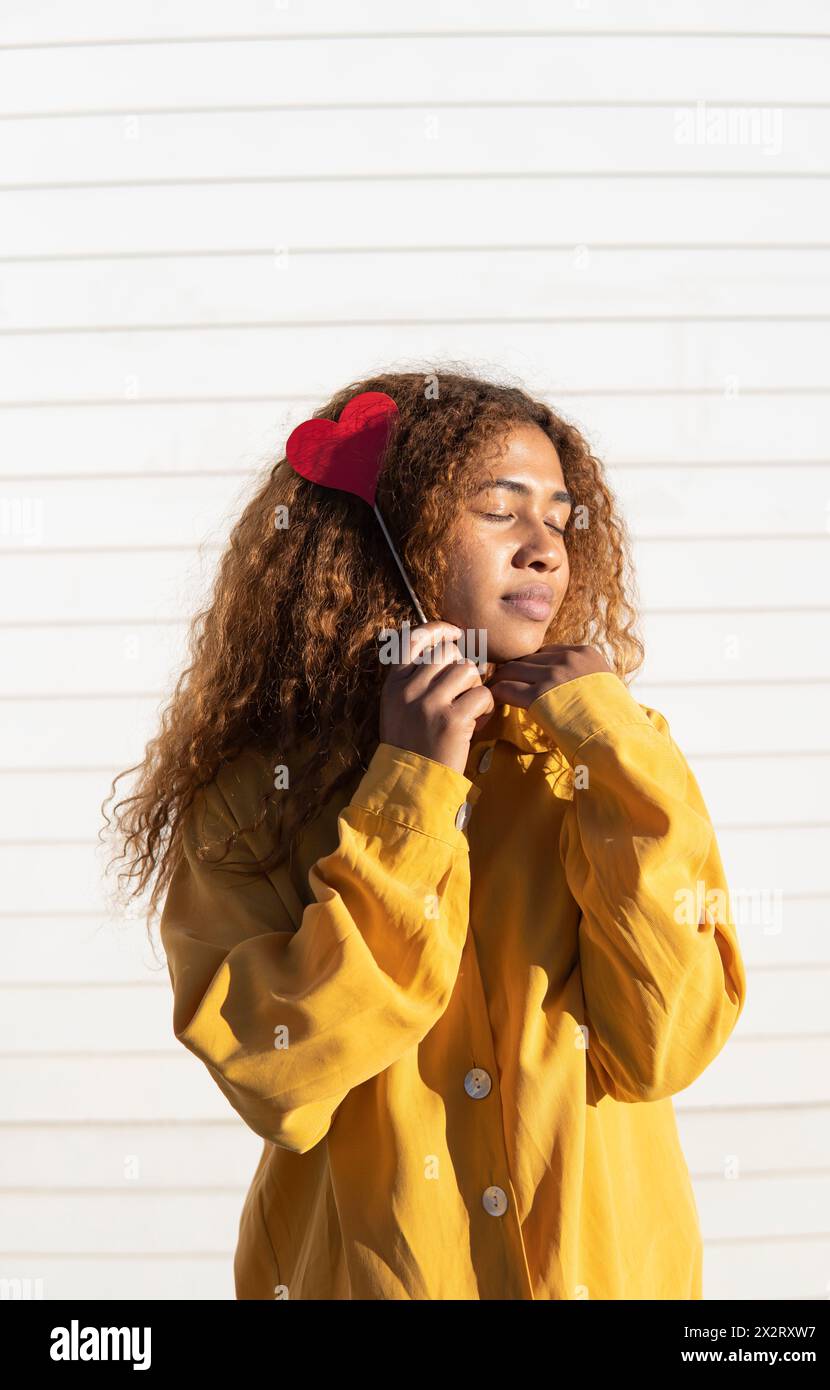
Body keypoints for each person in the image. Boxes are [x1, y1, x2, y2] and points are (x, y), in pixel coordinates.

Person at [104, 368, 747, 1300]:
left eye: (560, 520)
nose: (544, 551)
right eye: (500, 511)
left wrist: (613, 751)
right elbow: (277, 1072)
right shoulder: (252, 800)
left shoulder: (606, 767)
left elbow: (663, 1046)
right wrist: (409, 793)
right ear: (379, 538)